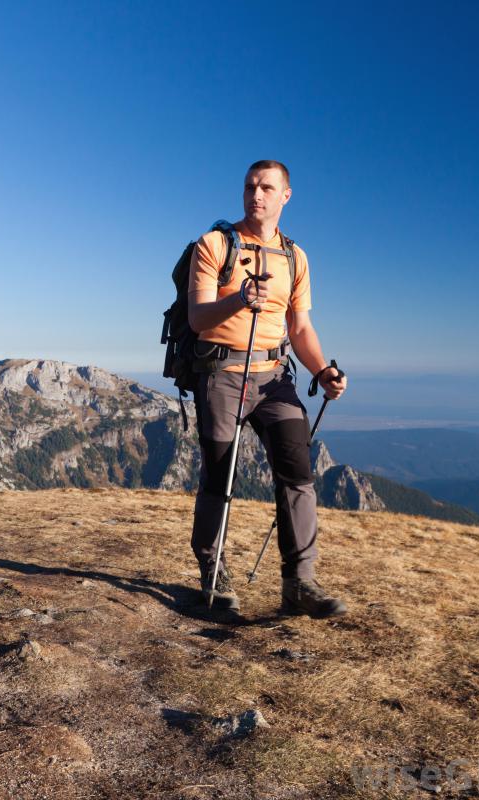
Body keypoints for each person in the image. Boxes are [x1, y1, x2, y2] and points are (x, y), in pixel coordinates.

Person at [187, 159, 347, 618]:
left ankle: (300, 582)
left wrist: (321, 373)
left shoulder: (296, 257)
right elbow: (198, 320)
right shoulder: (214, 244)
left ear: (286, 196)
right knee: (218, 475)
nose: (256, 194)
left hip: (275, 375)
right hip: (221, 374)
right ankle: (214, 575)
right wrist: (239, 299)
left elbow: (300, 329)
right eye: (250, 186)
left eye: (266, 187)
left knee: (297, 468)